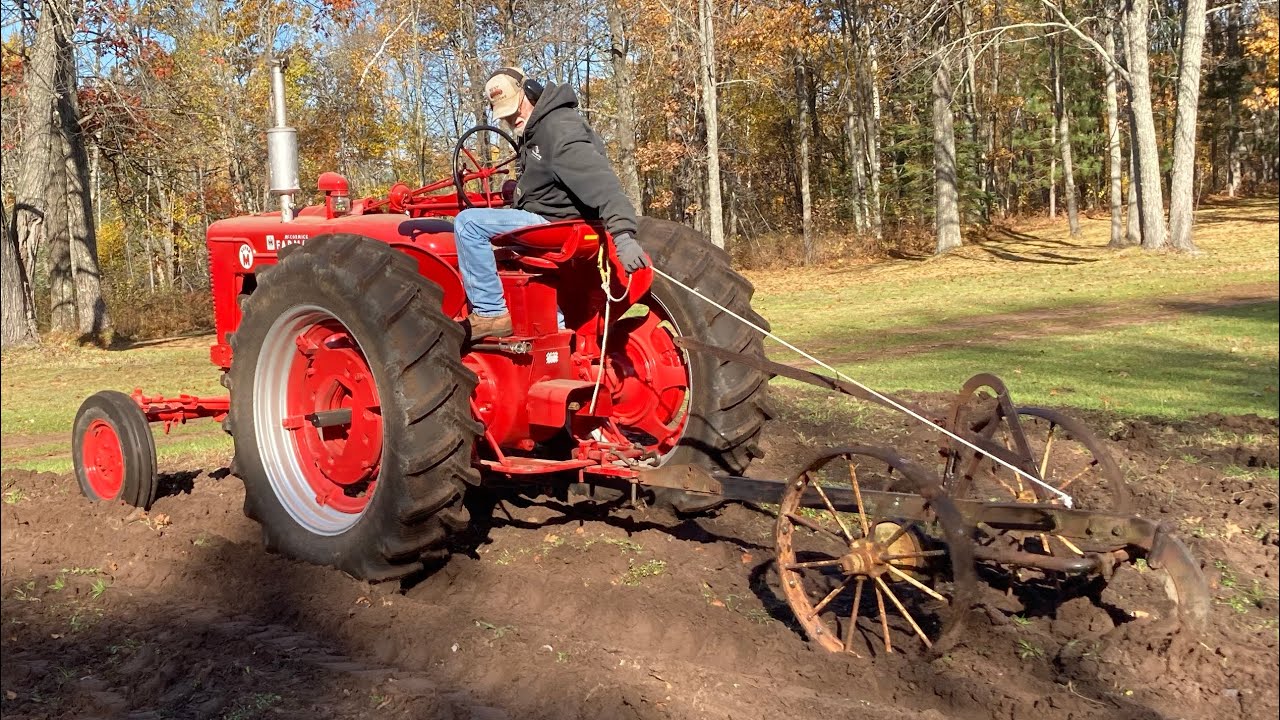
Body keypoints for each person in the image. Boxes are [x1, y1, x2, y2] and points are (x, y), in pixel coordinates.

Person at [454, 66, 651, 339]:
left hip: (555, 221)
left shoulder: (558, 129)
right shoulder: (539, 129)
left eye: (515, 109)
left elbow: (600, 181)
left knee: (468, 224)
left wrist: (624, 235)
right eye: (506, 116)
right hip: (554, 215)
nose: (513, 119)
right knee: (499, 239)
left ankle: (490, 312)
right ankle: (553, 327)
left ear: (531, 92)